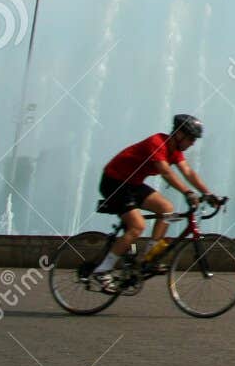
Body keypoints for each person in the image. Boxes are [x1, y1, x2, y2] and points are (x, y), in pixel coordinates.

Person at [89, 115, 222, 292]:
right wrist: (188, 192)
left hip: (133, 184)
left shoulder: (175, 151)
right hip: (114, 181)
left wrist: (208, 193)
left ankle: (149, 257)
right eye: (190, 138)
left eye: (194, 139)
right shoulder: (157, 142)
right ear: (179, 134)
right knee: (137, 226)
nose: (193, 143)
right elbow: (166, 173)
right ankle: (102, 270)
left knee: (166, 209)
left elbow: (188, 172)